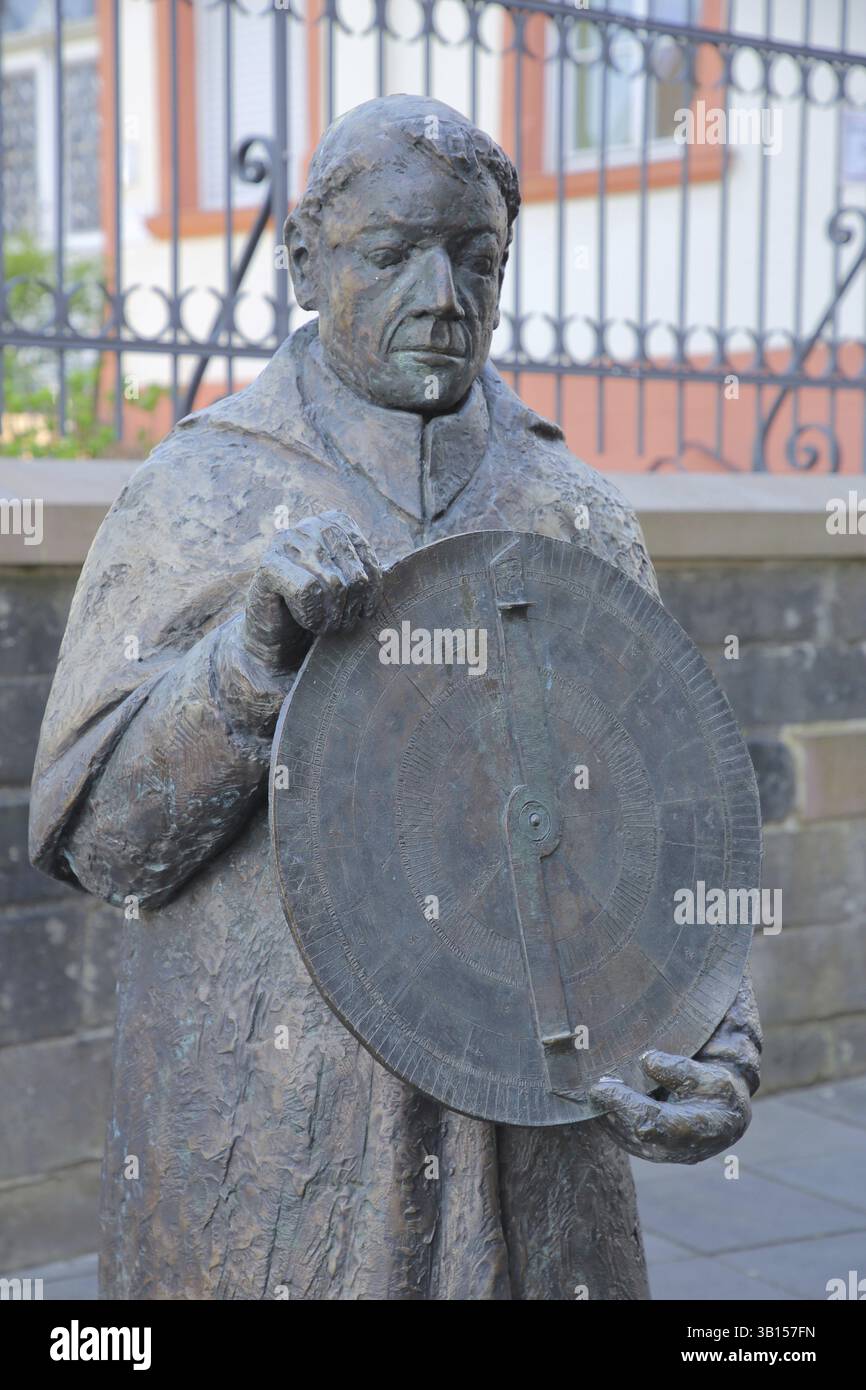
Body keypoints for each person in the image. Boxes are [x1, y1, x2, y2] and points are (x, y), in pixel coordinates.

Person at [30, 95, 761, 1300]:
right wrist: (248, 661)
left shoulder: (568, 508)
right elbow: (106, 848)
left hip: (536, 1166)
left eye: (476, 260)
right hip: (271, 1145)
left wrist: (714, 1042)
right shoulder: (197, 495)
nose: (442, 297)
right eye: (390, 255)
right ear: (306, 265)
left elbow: (668, 823)